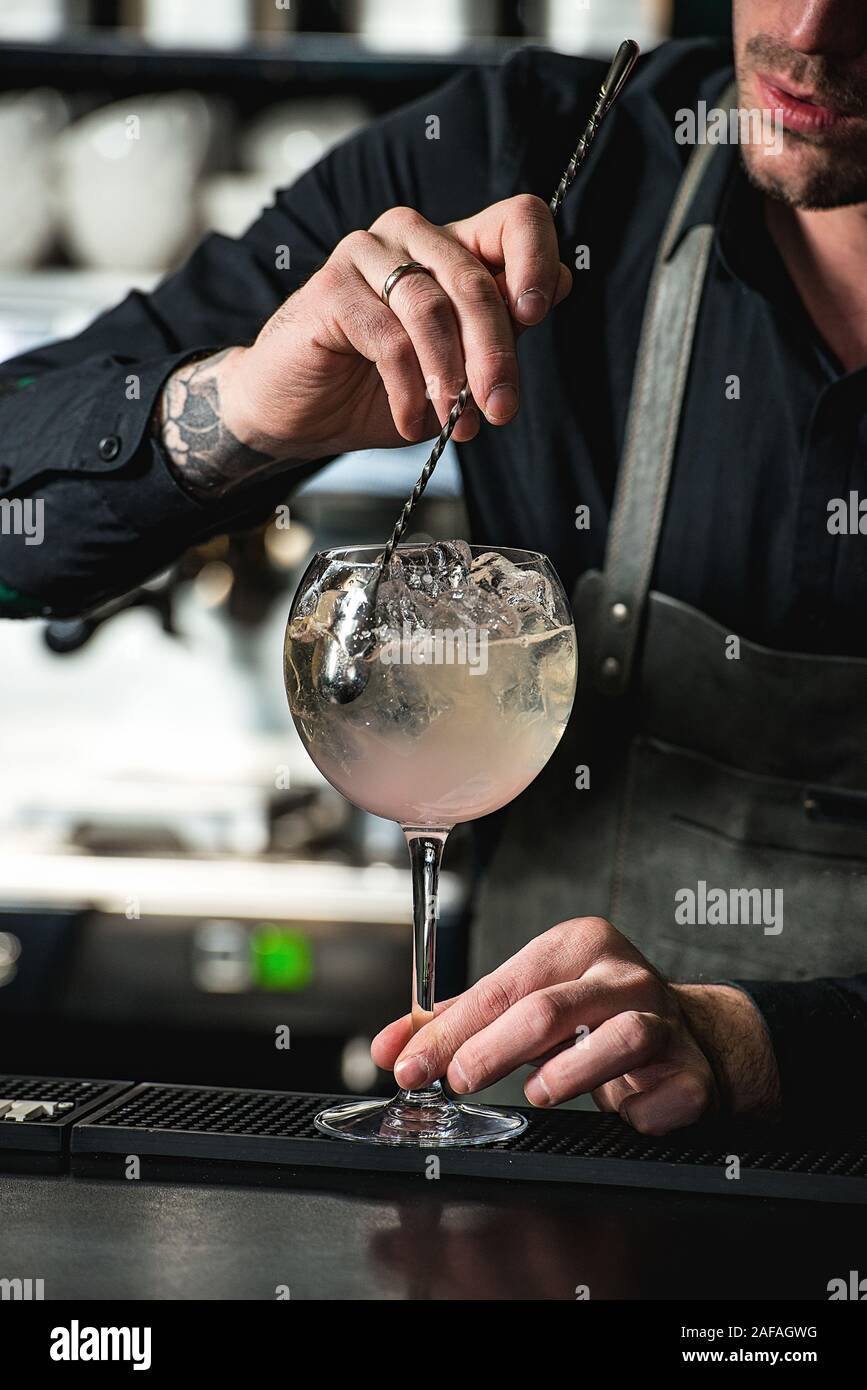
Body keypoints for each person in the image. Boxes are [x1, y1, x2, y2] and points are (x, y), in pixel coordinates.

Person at [2, 1, 867, 1133]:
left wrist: (759, 1041)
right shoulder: (531, 151)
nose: (811, 26)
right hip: (534, 1169)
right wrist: (245, 408)